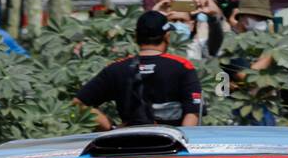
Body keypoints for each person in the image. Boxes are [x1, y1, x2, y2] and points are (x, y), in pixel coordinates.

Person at [74, 11, 202, 130]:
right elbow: (192, 113)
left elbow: (78, 102)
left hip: (129, 144)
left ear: (136, 37)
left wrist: (111, 128)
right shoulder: (182, 66)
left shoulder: (116, 68)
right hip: (171, 147)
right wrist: (182, 142)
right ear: (167, 36)